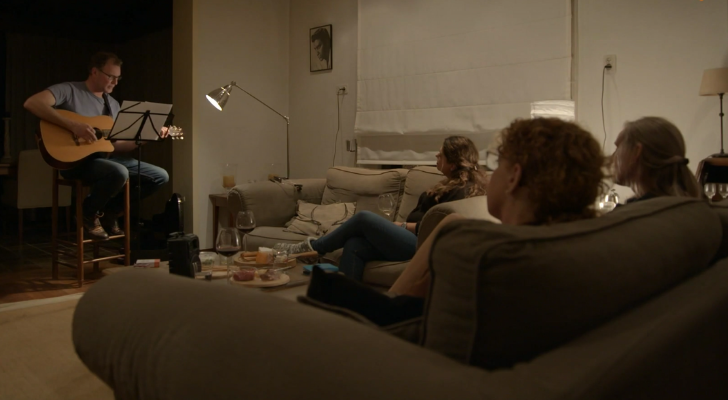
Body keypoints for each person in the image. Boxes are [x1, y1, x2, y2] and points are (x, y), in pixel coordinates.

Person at [305, 117, 607, 326]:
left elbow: (389, 318)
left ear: (514, 177)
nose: (486, 174)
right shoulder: (584, 257)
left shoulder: (473, 251)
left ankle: (313, 253)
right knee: (355, 246)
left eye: (496, 163)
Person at [277, 135, 487, 281]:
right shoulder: (451, 183)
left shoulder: (463, 190)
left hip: (421, 244)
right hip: (412, 239)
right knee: (354, 244)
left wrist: (402, 226)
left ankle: (314, 246)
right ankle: (347, 301)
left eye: (440, 155)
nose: (436, 157)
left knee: (364, 218)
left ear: (453, 163)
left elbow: (440, 226)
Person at [24, 51, 170, 240]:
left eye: (118, 78)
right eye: (111, 76)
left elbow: (115, 145)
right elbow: (32, 103)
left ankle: (109, 211)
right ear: (94, 71)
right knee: (119, 172)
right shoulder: (69, 90)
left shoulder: (113, 105)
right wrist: (73, 126)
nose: (115, 82)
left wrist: (146, 138)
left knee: (160, 176)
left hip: (105, 160)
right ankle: (87, 213)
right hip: (75, 162)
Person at [610, 116, 701, 203]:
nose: (612, 157)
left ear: (636, 151)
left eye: (617, 148)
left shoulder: (634, 213)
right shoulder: (699, 206)